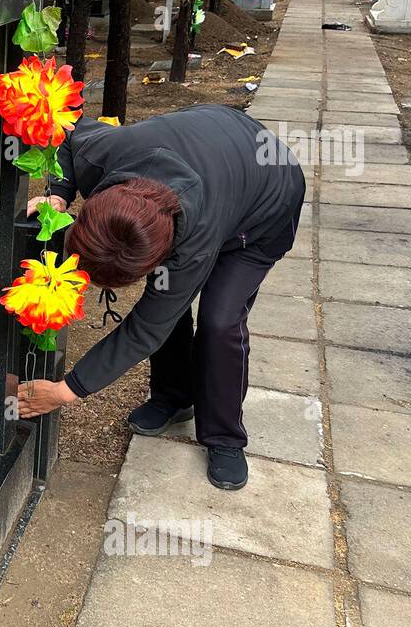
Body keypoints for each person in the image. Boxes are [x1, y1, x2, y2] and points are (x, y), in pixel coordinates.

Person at [17, 105, 304, 490]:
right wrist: (60, 194)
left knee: (220, 320)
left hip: (267, 199)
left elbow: (145, 330)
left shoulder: (193, 243)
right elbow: (68, 132)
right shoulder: (107, 152)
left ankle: (225, 438)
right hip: (215, 150)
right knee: (169, 301)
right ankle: (174, 398)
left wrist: (64, 390)